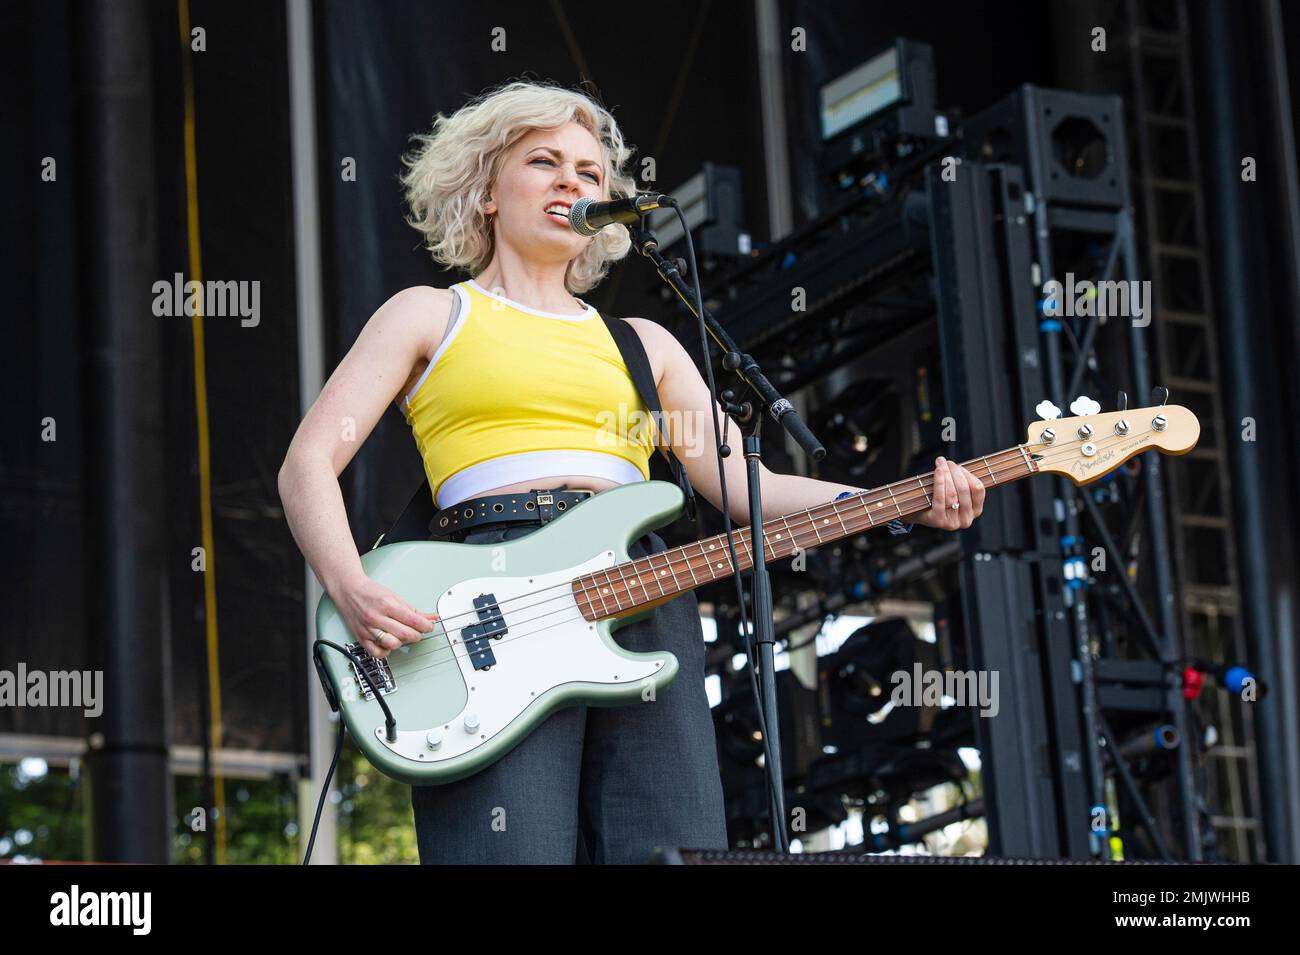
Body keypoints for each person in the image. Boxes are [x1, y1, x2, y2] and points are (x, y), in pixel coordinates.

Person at [277, 79, 987, 864]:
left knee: (669, 848)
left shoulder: (643, 343)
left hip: (641, 590)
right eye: (544, 162)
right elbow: (310, 460)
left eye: (588, 173)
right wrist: (349, 583)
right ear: (484, 191)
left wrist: (904, 500)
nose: (571, 184)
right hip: (484, 603)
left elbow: (746, 485)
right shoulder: (429, 314)